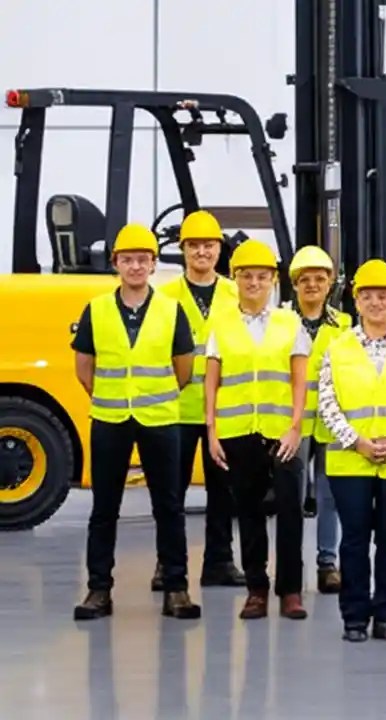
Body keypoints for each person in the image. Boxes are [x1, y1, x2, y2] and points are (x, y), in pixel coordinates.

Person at [72, 223, 202, 620]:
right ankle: (98, 590)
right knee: (104, 508)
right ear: (116, 263)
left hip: (160, 419)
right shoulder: (96, 309)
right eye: (127, 259)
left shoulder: (170, 309)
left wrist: (155, 394)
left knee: (169, 506)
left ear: (153, 264)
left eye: (142, 260)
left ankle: (176, 589)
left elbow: (184, 366)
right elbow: (83, 366)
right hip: (110, 418)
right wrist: (110, 396)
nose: (135, 266)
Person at [317, 259, 386, 643]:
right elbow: (327, 402)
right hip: (351, 461)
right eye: (367, 296)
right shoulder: (338, 348)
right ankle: (354, 617)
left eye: (383, 295)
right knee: (354, 540)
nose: (376, 303)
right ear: (356, 301)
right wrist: (357, 441)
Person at [205, 239, 311, 621]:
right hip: (237, 432)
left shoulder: (290, 323)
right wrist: (212, 431)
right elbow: (211, 382)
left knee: (290, 510)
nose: (254, 283)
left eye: (261, 277)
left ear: (273, 281)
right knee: (248, 512)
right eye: (246, 276)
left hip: (281, 432)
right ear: (235, 279)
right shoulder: (221, 325)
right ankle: (256, 589)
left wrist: (296, 427)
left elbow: (299, 380)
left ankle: (291, 590)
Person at [156, 210, 244, 590]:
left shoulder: (236, 294)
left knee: (223, 492)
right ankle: (167, 564)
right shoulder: (165, 296)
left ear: (219, 250)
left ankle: (219, 562)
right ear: (183, 250)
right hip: (176, 409)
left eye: (208, 245)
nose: (202, 252)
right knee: (170, 493)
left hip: (221, 410)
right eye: (194, 245)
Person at [288, 245, 352, 595]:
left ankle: (327, 563)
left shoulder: (345, 326)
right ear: (295, 285)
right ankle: (292, 566)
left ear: (330, 284)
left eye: (319, 279)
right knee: (293, 498)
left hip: (331, 421)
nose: (312, 285)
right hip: (294, 421)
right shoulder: (282, 323)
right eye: (305, 279)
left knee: (330, 496)